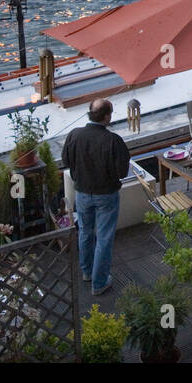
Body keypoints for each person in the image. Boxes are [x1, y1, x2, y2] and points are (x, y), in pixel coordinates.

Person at [62, 98, 129, 296]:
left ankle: (87, 272)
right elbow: (122, 172)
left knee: (85, 232)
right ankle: (99, 283)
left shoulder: (74, 135)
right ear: (107, 117)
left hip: (82, 192)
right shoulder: (113, 140)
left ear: (89, 114)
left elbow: (66, 161)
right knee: (104, 238)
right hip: (106, 195)